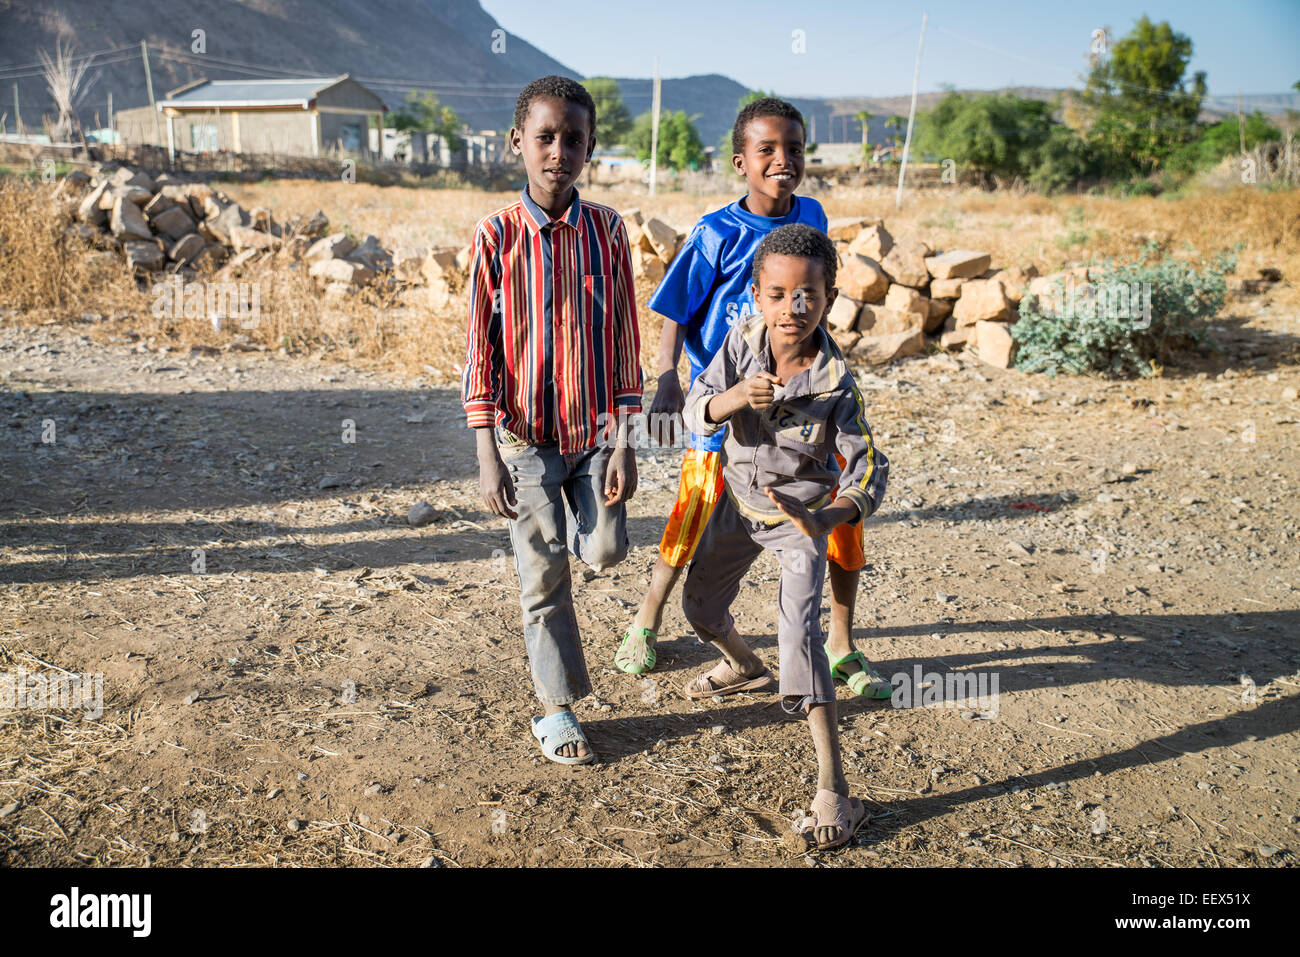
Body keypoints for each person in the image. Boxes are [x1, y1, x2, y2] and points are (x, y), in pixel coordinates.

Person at [615, 97, 889, 702]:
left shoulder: (812, 215)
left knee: (839, 516)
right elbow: (676, 309)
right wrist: (667, 378)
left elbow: (817, 292)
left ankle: (840, 646)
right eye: (767, 149)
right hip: (727, 394)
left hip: (801, 401)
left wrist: (825, 367)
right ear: (741, 160)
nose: (782, 161)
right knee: (698, 507)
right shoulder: (717, 230)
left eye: (793, 149)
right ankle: (649, 614)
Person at [680, 223, 888, 850]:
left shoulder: (834, 384)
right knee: (700, 608)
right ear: (755, 295)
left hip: (800, 524)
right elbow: (693, 408)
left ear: (827, 299)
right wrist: (732, 398)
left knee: (801, 638)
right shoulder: (739, 345)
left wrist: (832, 516)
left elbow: (871, 468)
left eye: (807, 296)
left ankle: (835, 789)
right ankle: (744, 665)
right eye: (776, 295)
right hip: (737, 507)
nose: (791, 309)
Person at [462, 76, 642, 766]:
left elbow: (625, 337)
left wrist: (624, 444)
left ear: (589, 147)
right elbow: (479, 348)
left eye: (573, 139)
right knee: (542, 576)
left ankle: (573, 527)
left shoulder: (608, 231)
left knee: (602, 551)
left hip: (597, 437)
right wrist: (485, 454)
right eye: (545, 137)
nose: (558, 151)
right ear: (519, 143)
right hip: (524, 440)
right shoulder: (496, 236)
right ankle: (557, 709)